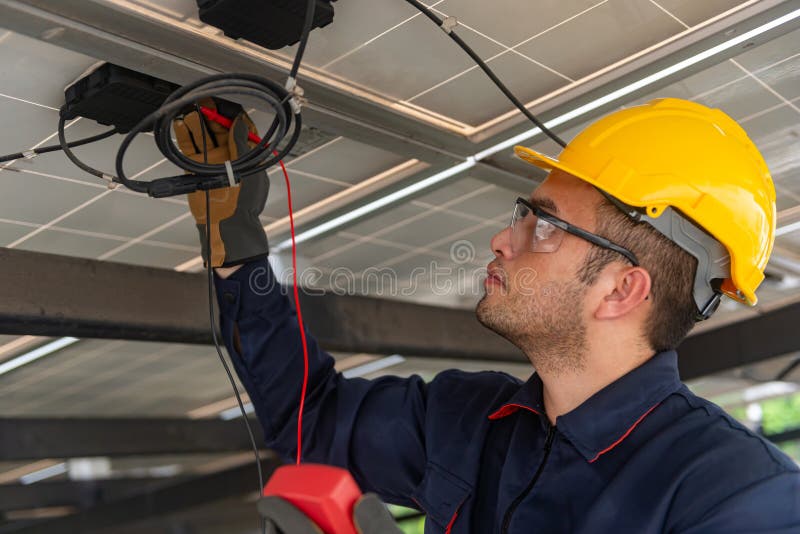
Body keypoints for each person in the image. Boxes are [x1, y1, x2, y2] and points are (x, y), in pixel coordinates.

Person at [175, 97, 800, 533]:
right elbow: (311, 418)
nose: (504, 239)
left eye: (546, 227)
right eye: (522, 213)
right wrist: (239, 248)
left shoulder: (742, 495)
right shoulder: (469, 422)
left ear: (620, 291)